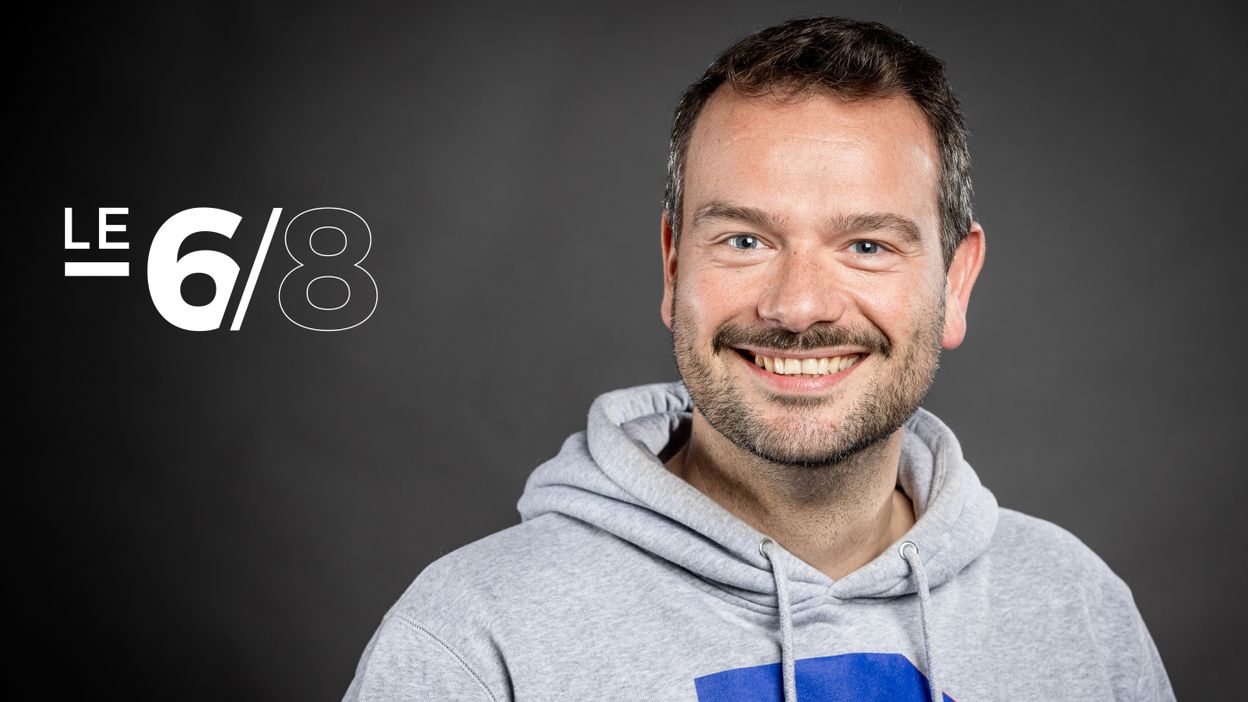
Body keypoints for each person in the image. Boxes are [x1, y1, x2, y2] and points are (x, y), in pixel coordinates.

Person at [343, 16, 1175, 702]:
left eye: (867, 244)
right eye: (744, 239)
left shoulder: (1077, 610)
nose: (799, 305)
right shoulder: (472, 642)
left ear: (955, 283)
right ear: (674, 267)